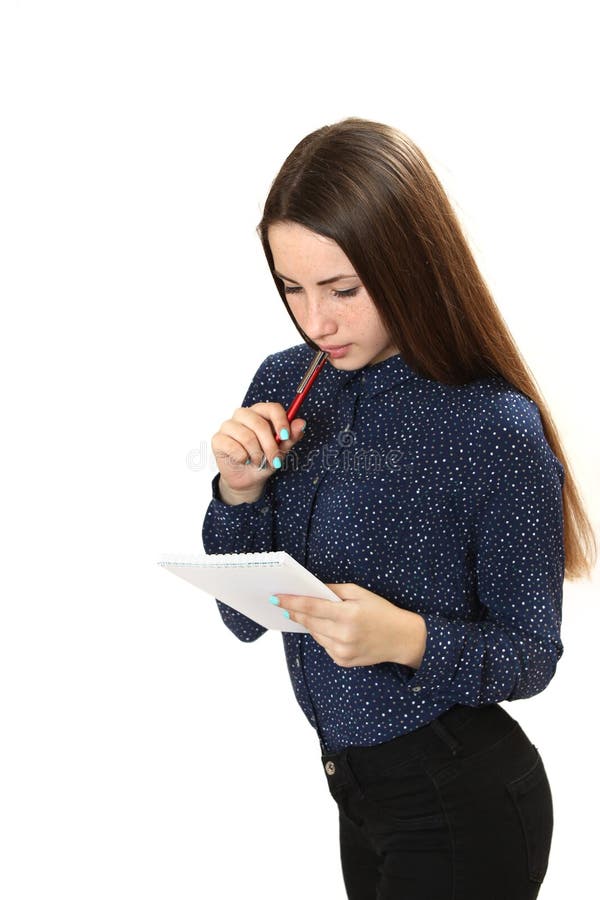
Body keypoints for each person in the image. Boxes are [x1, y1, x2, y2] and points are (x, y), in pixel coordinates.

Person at [201, 118, 596, 900]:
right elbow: (245, 620)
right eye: (292, 287)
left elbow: (532, 655)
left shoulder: (490, 424)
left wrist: (405, 638)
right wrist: (237, 493)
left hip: (461, 799)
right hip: (356, 793)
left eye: (344, 289)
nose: (317, 321)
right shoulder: (284, 382)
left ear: (412, 264)